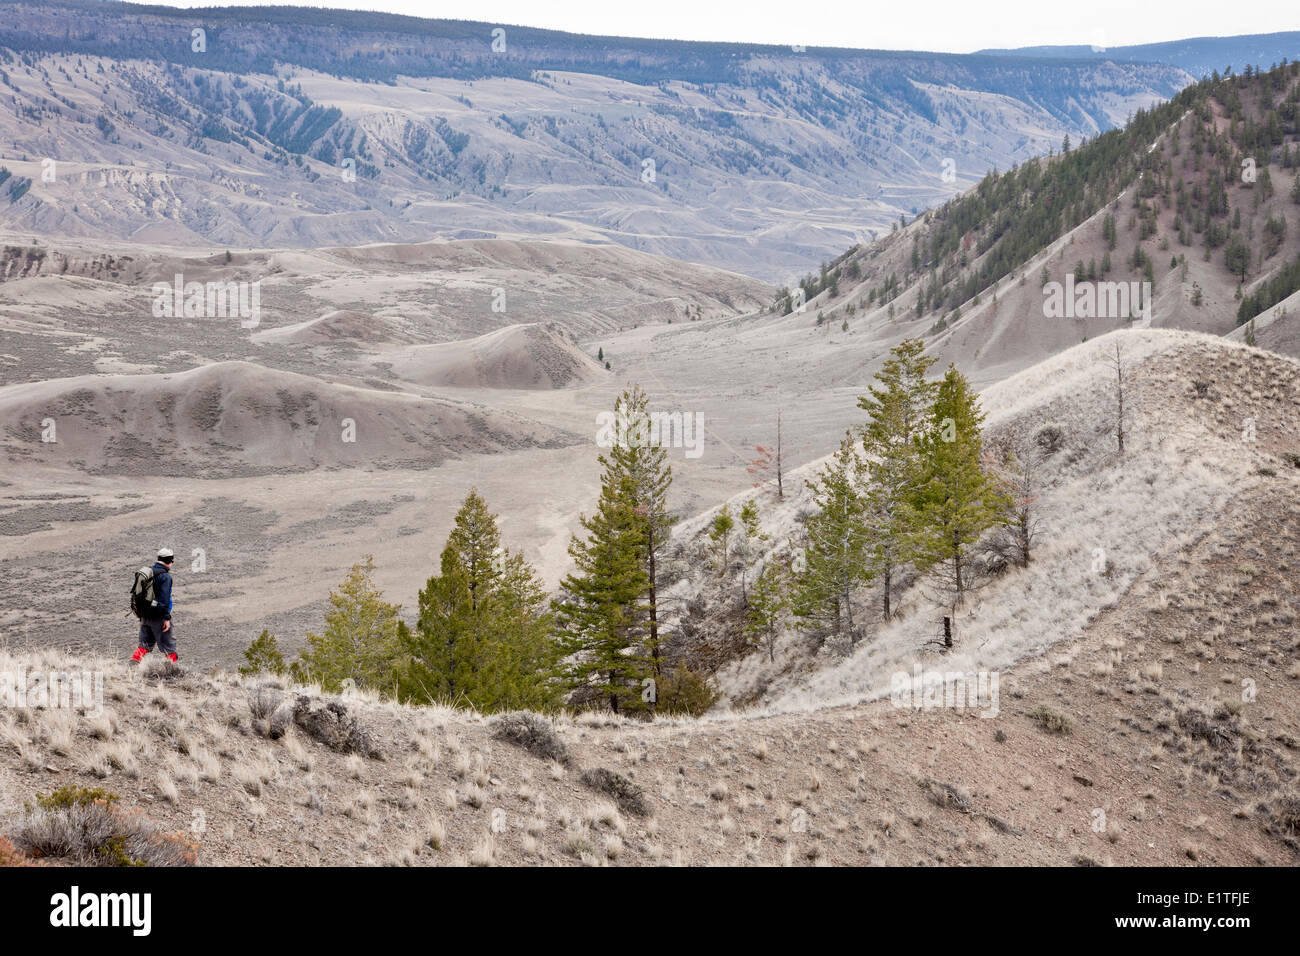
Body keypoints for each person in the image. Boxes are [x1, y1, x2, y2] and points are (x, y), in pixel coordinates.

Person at [132, 548, 177, 664]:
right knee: (170, 649)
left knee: (143, 646)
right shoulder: (165, 577)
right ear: (169, 561)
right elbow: (164, 600)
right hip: (159, 617)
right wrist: (166, 618)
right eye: (172, 561)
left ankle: (131, 669)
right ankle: (172, 674)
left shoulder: (149, 572)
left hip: (145, 616)